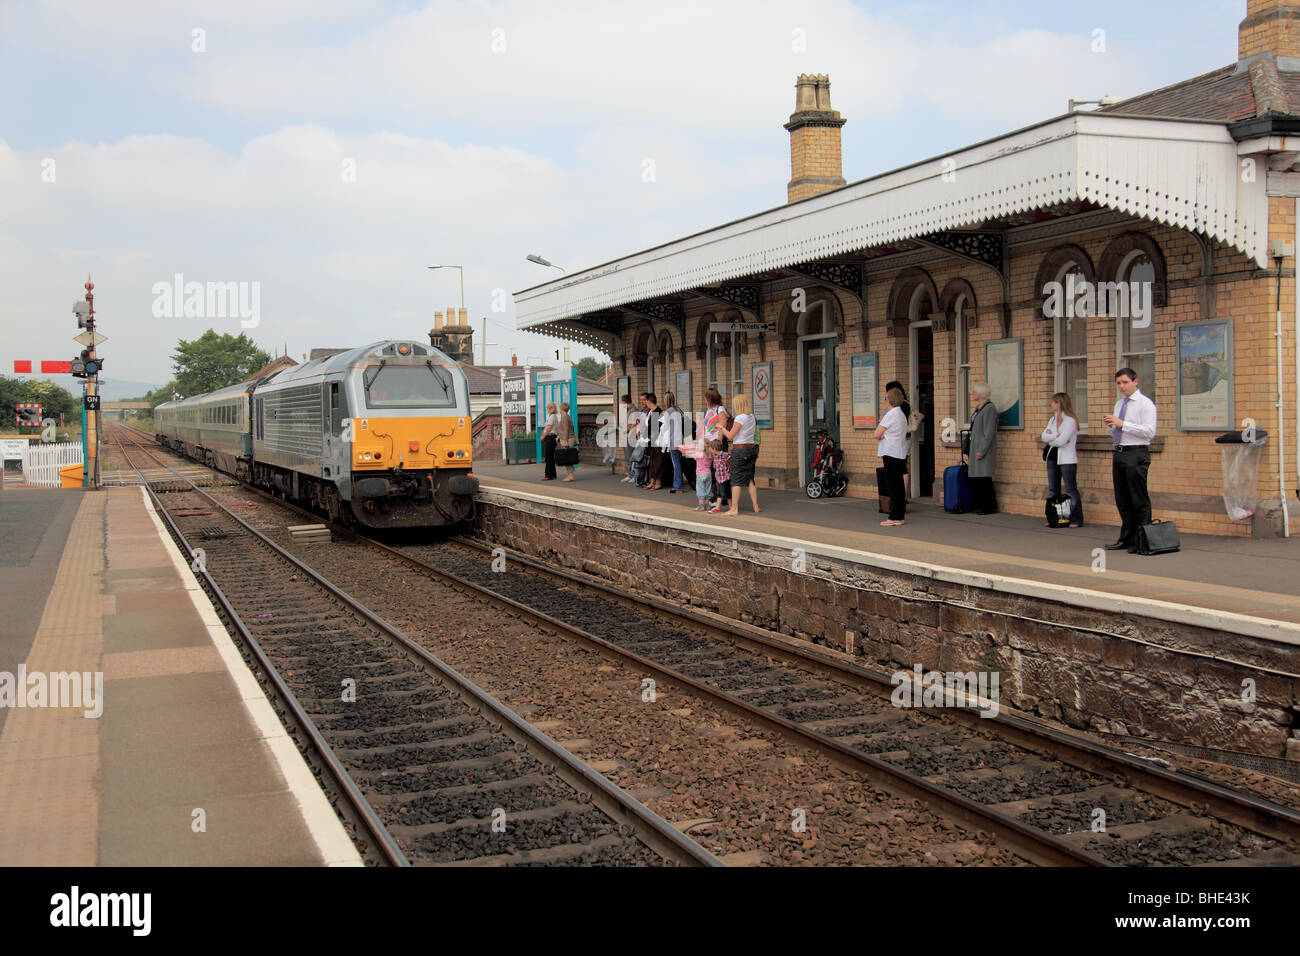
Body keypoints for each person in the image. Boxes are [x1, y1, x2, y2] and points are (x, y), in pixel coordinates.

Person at [1102, 368, 1157, 552]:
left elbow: (1149, 431)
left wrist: (1122, 424)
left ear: (1135, 381)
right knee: (1122, 498)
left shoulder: (1145, 404)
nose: (1121, 387)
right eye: (1118, 383)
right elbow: (1117, 429)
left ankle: (1143, 539)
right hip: (1120, 451)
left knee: (1138, 498)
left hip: (1136, 452)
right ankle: (1127, 538)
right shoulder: (1120, 404)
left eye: (1125, 382)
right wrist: (1112, 426)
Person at [1041, 391, 1082, 528]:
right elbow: (1044, 437)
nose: (1051, 404)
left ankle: (1076, 519)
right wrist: (1055, 436)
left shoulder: (1070, 421)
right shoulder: (1052, 419)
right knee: (1054, 489)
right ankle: (1057, 518)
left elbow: (1062, 441)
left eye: (1053, 402)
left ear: (1059, 403)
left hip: (1067, 459)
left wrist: (1052, 437)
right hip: (1052, 458)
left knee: (1070, 489)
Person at [719, 393, 760, 515]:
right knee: (750, 479)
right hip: (751, 450)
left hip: (740, 450)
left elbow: (731, 436)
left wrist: (721, 428)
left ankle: (734, 509)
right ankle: (755, 506)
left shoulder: (740, 418)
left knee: (736, 480)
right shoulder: (752, 417)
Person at [874, 386, 908, 526]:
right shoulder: (901, 414)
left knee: (892, 486)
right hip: (900, 452)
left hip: (890, 452)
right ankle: (899, 515)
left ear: (889, 400)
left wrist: (881, 435)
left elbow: (876, 434)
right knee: (899, 485)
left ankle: (893, 517)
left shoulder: (890, 414)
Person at [968, 381, 999, 514]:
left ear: (981, 393)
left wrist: (982, 450)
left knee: (984, 478)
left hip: (982, 447)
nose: (972, 394)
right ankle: (979, 504)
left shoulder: (990, 408)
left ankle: (989, 506)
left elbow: (989, 431)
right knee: (977, 478)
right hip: (975, 446)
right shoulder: (978, 408)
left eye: (974, 391)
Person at [701, 388, 728, 504]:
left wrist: (718, 443)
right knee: (713, 471)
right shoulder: (708, 410)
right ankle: (717, 495)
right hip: (709, 444)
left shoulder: (720, 409)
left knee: (719, 471)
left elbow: (722, 426)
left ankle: (722, 496)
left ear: (709, 398)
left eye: (705, 397)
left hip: (717, 444)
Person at [659, 391, 685, 493]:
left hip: (672, 440)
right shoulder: (678, 410)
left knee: (676, 465)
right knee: (678, 463)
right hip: (679, 438)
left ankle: (678, 486)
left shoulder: (667, 412)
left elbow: (666, 427)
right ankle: (677, 484)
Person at [643, 393, 664, 491]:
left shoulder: (658, 412)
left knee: (657, 462)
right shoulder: (651, 412)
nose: (645, 403)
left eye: (645, 401)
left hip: (657, 441)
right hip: (651, 441)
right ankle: (652, 481)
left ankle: (658, 482)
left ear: (649, 401)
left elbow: (655, 429)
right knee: (652, 462)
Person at [707, 438, 730, 514]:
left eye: (710, 448)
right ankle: (717, 507)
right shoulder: (715, 456)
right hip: (719, 478)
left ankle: (732, 507)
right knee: (719, 493)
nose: (709, 450)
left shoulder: (725, 455)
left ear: (714, 449)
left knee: (727, 494)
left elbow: (731, 462)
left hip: (725, 478)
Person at [557, 401, 577, 482]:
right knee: (568, 457)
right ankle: (570, 474)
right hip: (569, 438)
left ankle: (570, 475)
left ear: (561, 409)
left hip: (567, 439)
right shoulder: (567, 416)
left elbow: (566, 429)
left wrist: (565, 440)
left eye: (560, 408)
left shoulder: (565, 417)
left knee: (567, 457)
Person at [540, 401, 559, 481]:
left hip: (550, 437)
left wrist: (543, 436)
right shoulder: (552, 416)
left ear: (551, 408)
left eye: (548, 408)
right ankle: (553, 474)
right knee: (550, 457)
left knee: (548, 457)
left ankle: (548, 475)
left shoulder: (552, 417)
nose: (547, 409)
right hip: (552, 437)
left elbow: (548, 428)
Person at [620, 394, 637, 482]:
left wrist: (627, 431)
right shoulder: (628, 410)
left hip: (630, 436)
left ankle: (634, 475)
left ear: (625, 402)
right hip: (626, 435)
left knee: (631, 456)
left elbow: (633, 424)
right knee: (627, 456)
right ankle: (630, 474)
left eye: (622, 402)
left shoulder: (633, 410)